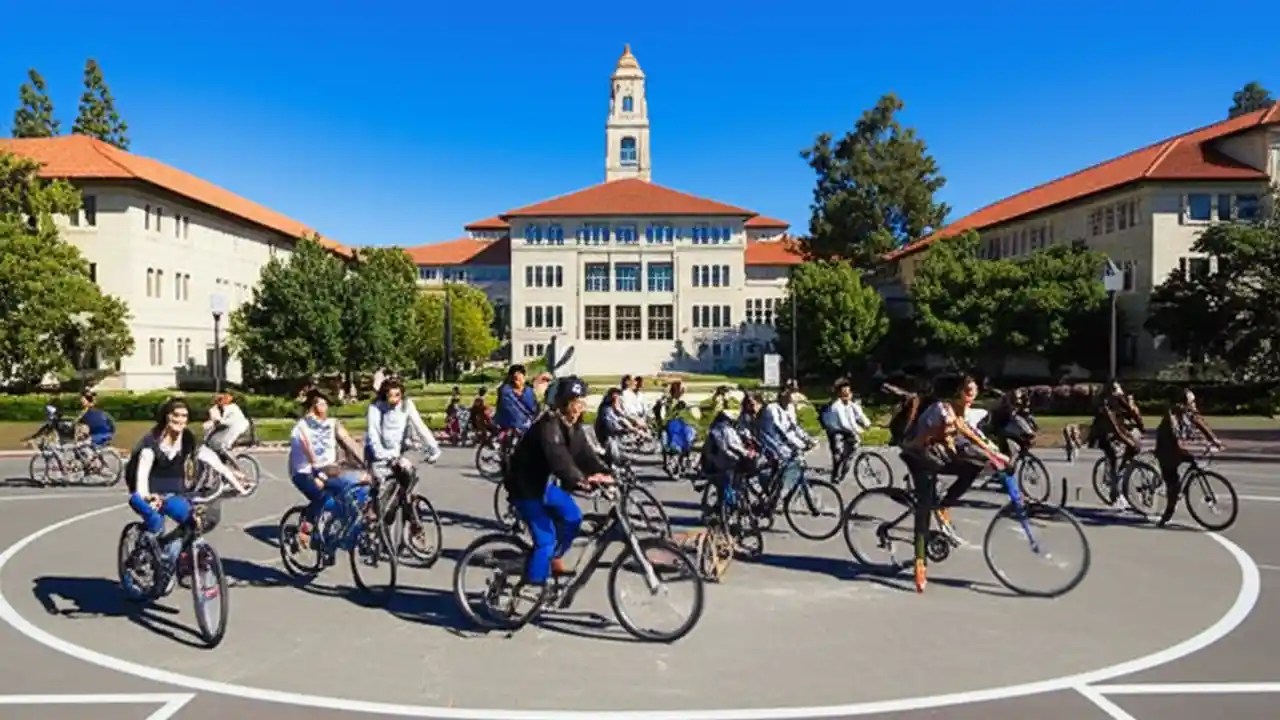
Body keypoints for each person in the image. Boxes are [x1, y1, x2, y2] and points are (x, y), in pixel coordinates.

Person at [900, 375, 1008, 592]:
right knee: (923, 511)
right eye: (967, 391)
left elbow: (970, 432)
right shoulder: (943, 410)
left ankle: (942, 503)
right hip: (918, 456)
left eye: (974, 390)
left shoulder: (958, 412)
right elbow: (926, 438)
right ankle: (920, 563)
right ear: (956, 393)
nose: (973, 395)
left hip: (936, 455)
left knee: (973, 467)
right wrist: (928, 442)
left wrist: (994, 453)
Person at [503, 376, 613, 585]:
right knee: (545, 541)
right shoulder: (549, 425)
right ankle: (533, 586)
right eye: (576, 402)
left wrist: (607, 473)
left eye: (582, 401)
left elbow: (585, 456)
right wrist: (581, 480)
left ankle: (551, 559)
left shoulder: (572, 426)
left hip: (544, 486)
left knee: (573, 518)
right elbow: (559, 459)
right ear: (564, 403)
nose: (581, 406)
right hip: (525, 488)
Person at [124, 398, 249, 553]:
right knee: (156, 523)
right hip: (147, 494)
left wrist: (237, 483)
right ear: (166, 416)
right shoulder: (151, 445)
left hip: (173, 494)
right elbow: (141, 481)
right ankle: (140, 556)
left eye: (184, 416)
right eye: (175, 415)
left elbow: (214, 462)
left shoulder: (188, 440)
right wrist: (148, 497)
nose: (180, 420)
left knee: (193, 523)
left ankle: (174, 555)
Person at [289, 390, 371, 549]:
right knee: (324, 497)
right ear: (311, 407)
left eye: (326, 403)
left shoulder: (332, 423)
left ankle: (334, 531)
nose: (325, 407)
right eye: (321, 403)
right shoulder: (301, 427)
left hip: (328, 469)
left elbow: (349, 442)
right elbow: (308, 453)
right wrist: (316, 474)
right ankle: (306, 528)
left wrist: (367, 464)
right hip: (304, 472)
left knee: (354, 490)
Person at [1154, 388, 1224, 527]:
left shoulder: (1188, 413)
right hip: (1166, 451)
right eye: (1191, 402)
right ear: (1182, 404)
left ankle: (1179, 491)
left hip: (1177, 449)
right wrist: (1192, 450)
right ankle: (1166, 515)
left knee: (1191, 461)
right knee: (1174, 484)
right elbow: (1177, 440)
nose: (1194, 405)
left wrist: (1213, 440)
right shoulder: (1172, 417)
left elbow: (1199, 423)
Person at [365, 376, 442, 474]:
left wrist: (433, 447)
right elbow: (373, 432)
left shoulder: (406, 404)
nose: (394, 399)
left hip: (401, 451)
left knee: (407, 476)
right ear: (385, 394)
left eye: (397, 395)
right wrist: (381, 454)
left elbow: (419, 426)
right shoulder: (376, 406)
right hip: (379, 454)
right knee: (380, 483)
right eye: (390, 395)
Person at [1088, 381, 1143, 508]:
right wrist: (1127, 440)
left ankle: (1122, 473)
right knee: (1113, 456)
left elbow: (1134, 417)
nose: (1118, 393)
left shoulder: (1119, 401)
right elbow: (1115, 430)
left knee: (1133, 448)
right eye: (1115, 390)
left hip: (1117, 432)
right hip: (1104, 435)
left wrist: (1132, 408)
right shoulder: (1106, 406)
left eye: (1119, 390)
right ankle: (1114, 493)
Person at [757, 388, 812, 493]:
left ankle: (776, 488)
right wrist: (793, 444)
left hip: (781, 439)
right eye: (785, 397)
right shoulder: (772, 408)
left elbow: (794, 426)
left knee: (794, 463)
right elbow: (778, 428)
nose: (788, 400)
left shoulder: (790, 407)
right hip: (769, 438)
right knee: (778, 462)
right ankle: (768, 487)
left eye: (789, 397)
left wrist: (807, 439)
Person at [820, 380, 871, 468]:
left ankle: (846, 462)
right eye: (844, 393)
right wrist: (858, 430)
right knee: (838, 453)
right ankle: (835, 475)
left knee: (852, 448)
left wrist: (867, 423)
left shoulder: (852, 404)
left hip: (847, 430)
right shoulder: (836, 406)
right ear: (839, 394)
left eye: (849, 392)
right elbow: (843, 423)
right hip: (835, 430)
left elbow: (860, 415)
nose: (848, 395)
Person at [987, 388, 1038, 459]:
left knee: (1015, 441)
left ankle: (1023, 445)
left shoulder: (1005, 405)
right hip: (1001, 428)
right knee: (1006, 449)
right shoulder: (999, 406)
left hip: (1004, 428)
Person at [495, 364, 541, 436]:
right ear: (510, 378)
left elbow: (535, 408)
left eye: (520, 378)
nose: (517, 381)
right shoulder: (505, 391)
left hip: (527, 428)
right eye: (515, 378)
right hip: (509, 430)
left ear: (524, 377)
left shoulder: (529, 391)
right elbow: (503, 410)